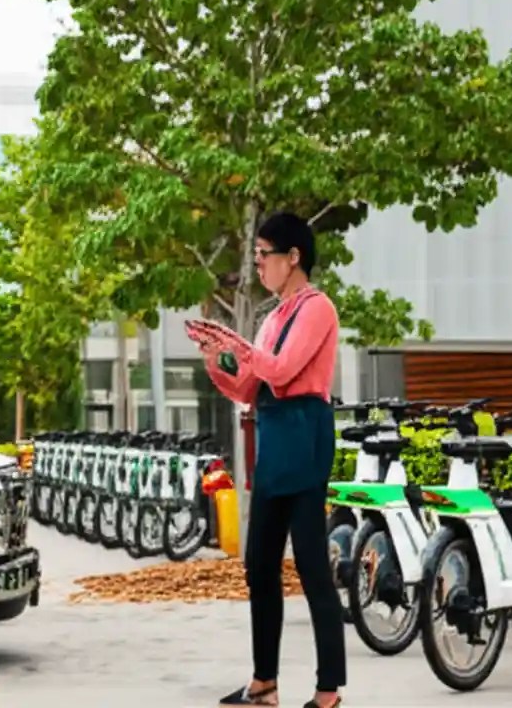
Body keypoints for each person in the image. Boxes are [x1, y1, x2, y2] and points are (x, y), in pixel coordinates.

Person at [186, 212, 346, 708]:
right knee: (259, 565)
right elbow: (250, 387)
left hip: (305, 431)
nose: (258, 265)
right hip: (275, 435)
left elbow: (281, 369)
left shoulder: (317, 309)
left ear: (293, 257)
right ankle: (264, 684)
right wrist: (218, 359)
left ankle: (327, 693)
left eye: (264, 255)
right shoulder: (273, 316)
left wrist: (238, 344)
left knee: (313, 567)